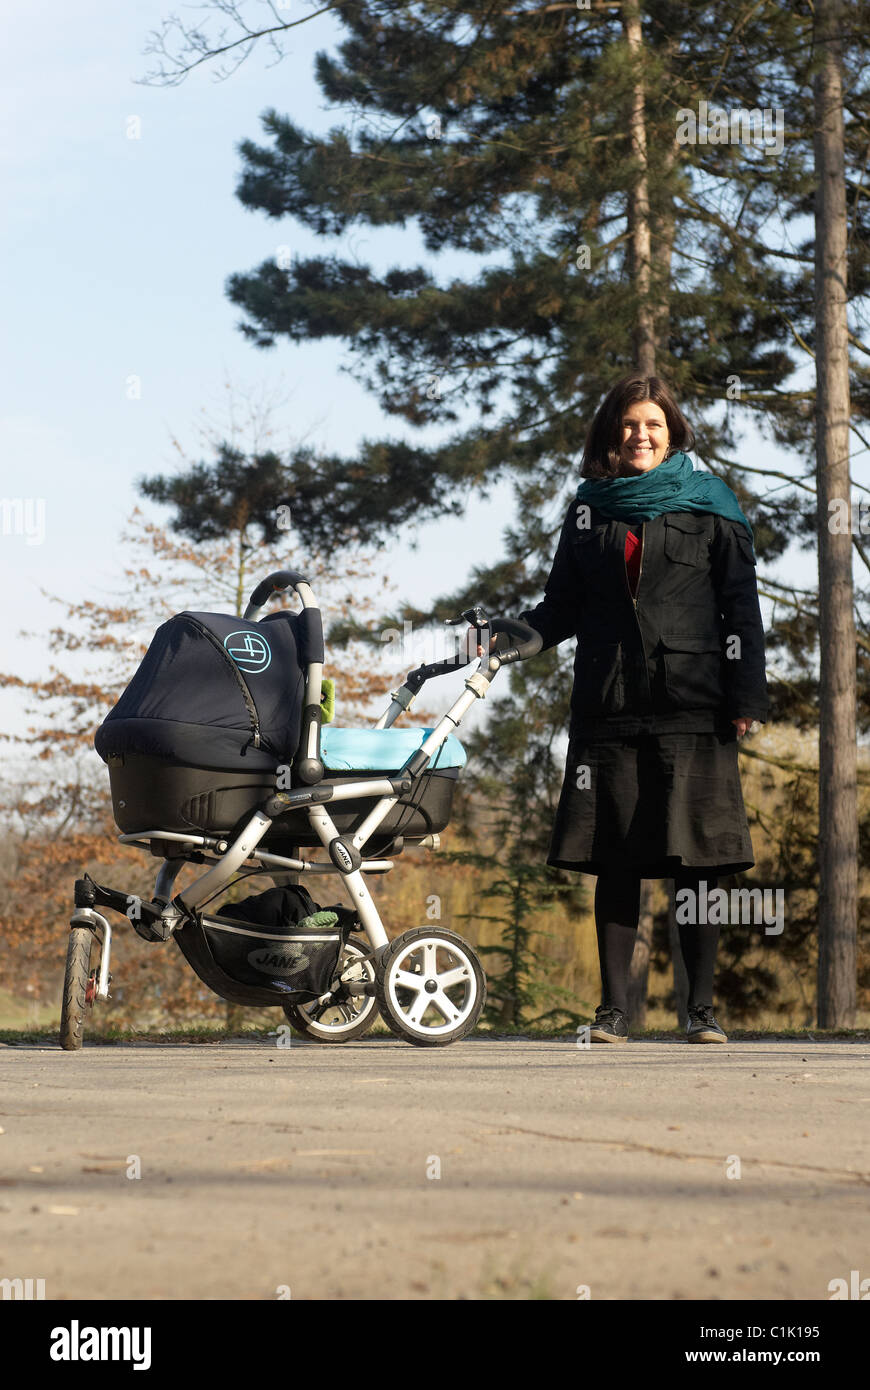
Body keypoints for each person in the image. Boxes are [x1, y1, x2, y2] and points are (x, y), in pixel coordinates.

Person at [472, 374, 768, 1043]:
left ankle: (701, 1012)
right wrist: (508, 637)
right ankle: (613, 1013)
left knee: (696, 863)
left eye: (653, 426)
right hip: (609, 703)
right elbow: (561, 608)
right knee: (616, 859)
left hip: (695, 705)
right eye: (630, 425)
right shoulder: (588, 511)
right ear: (613, 434)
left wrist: (747, 695)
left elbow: (741, 609)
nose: (641, 435)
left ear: (672, 433)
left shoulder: (711, 505)